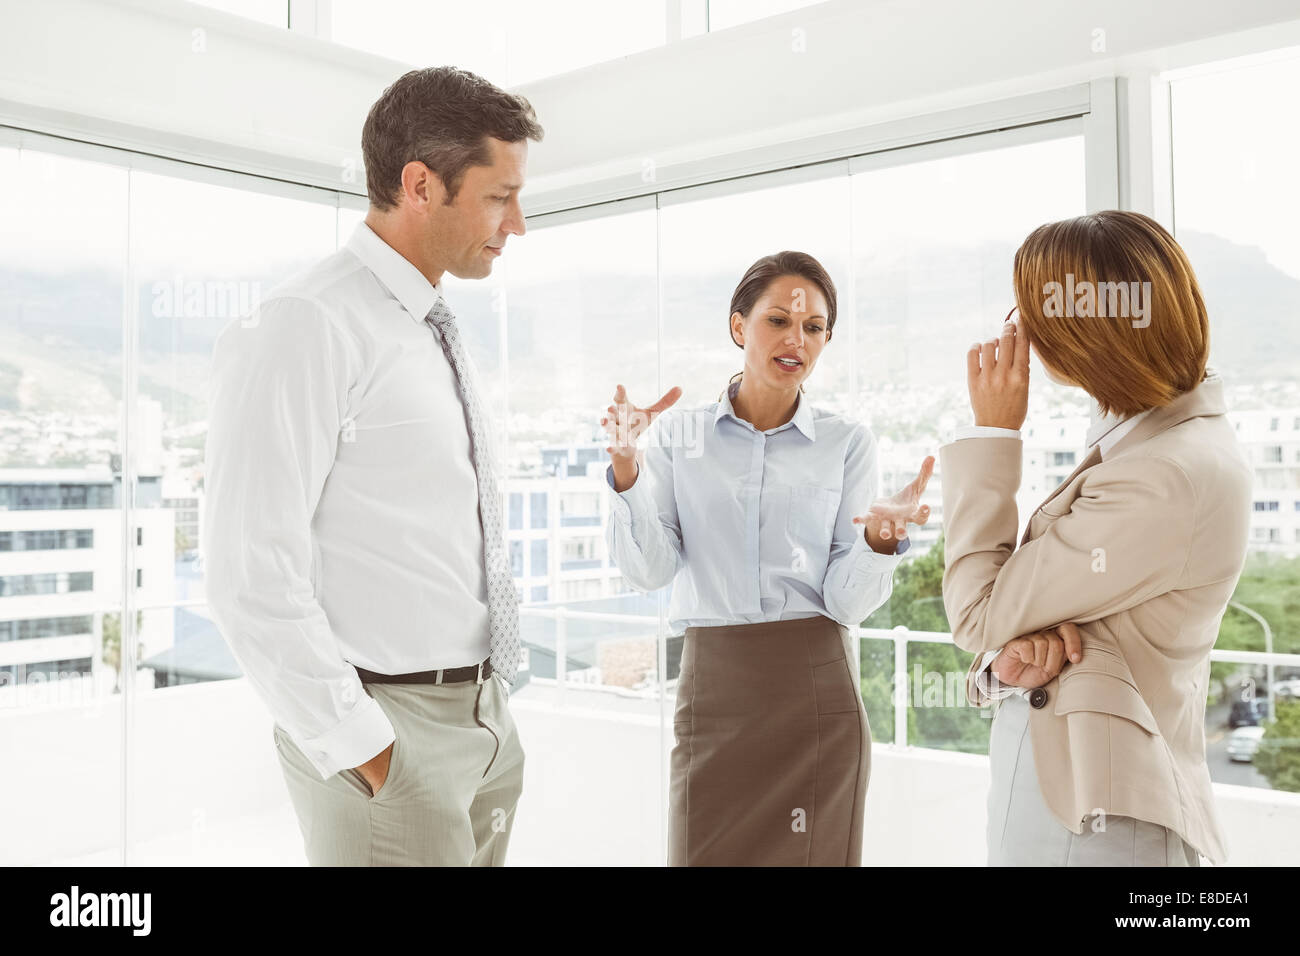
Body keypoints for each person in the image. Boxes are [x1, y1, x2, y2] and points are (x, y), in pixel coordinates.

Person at [203, 67, 543, 866]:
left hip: (483, 721)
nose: (518, 224)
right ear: (420, 184)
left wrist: (491, 717)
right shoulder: (306, 324)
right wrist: (371, 752)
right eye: (499, 197)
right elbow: (248, 572)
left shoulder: (429, 325)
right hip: (389, 733)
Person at [940, 210, 1252, 866]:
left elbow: (977, 613)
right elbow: (1044, 625)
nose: (1015, 324)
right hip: (1078, 798)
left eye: (1032, 306)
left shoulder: (1164, 475)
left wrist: (994, 434)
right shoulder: (1156, 440)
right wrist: (1012, 653)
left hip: (1090, 822)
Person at [601, 251, 934, 866]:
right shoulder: (681, 435)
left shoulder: (847, 441)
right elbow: (650, 570)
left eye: (813, 328)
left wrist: (881, 542)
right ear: (738, 327)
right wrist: (627, 469)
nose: (795, 340)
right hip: (714, 687)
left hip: (815, 687)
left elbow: (845, 601)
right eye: (777, 320)